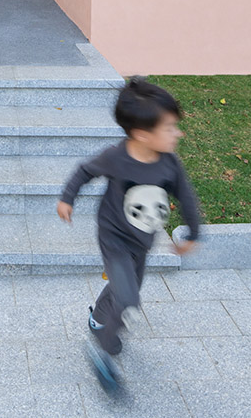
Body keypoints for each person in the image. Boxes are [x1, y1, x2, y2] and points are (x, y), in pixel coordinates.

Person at [58, 76, 201, 395]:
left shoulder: (169, 164)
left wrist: (194, 231)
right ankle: (102, 351)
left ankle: (97, 317)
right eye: (169, 128)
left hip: (143, 240)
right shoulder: (116, 157)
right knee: (128, 297)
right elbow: (85, 171)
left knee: (127, 285)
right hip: (114, 237)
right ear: (141, 134)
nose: (178, 133)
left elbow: (187, 196)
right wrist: (67, 198)